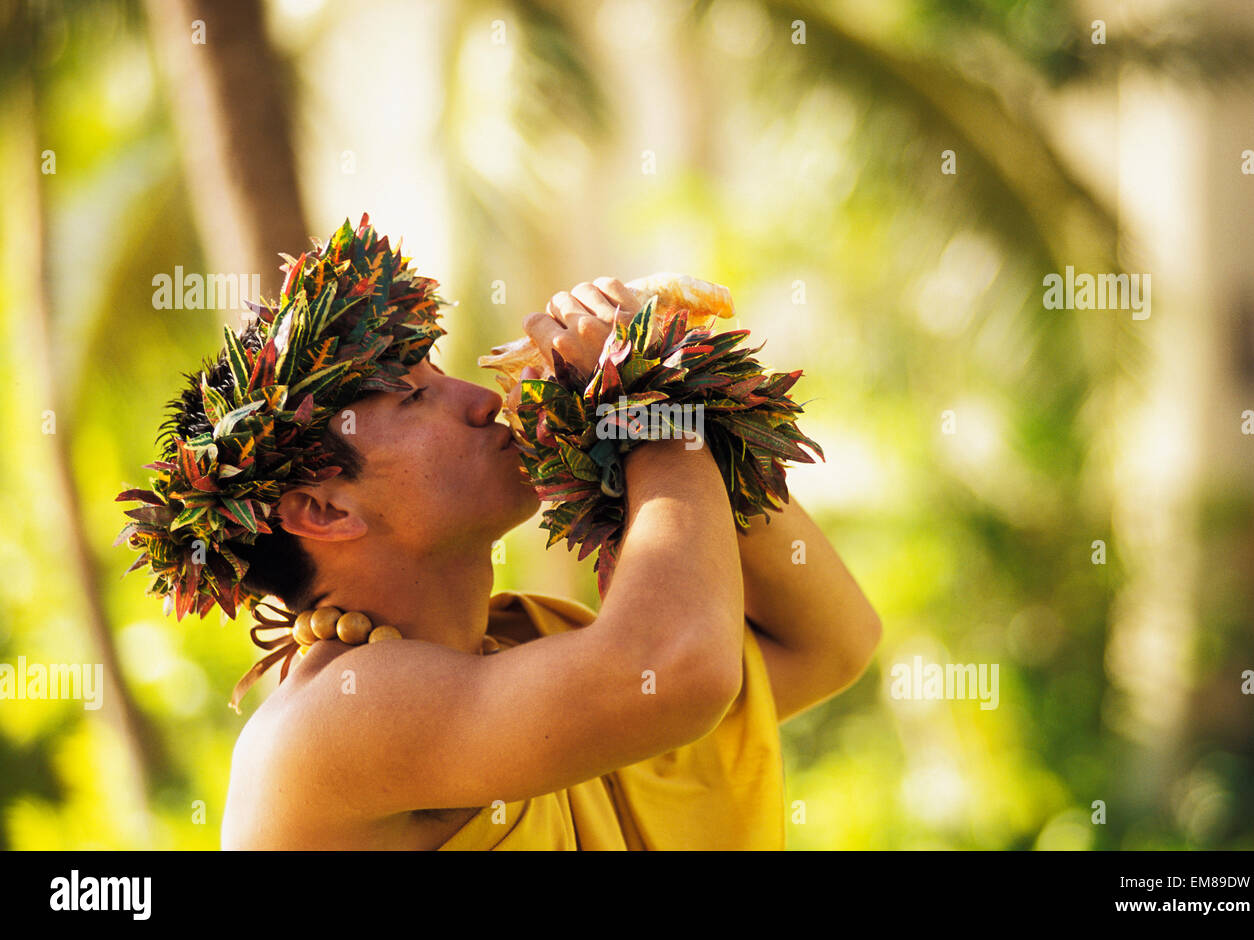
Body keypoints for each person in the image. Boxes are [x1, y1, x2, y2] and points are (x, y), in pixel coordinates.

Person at [120, 217, 880, 849]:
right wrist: (645, 399)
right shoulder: (336, 714)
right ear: (324, 511)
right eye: (416, 397)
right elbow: (682, 668)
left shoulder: (521, 663)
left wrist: (681, 401)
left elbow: (832, 640)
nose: (484, 401)